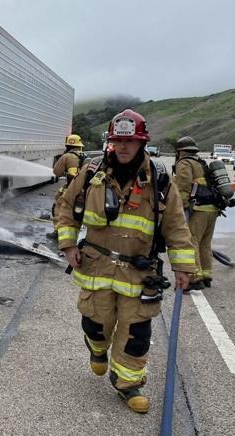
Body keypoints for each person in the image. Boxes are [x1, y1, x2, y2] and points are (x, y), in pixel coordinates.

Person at [56, 109, 197, 413]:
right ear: (111, 141)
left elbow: (175, 225)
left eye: (130, 141)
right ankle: (97, 350)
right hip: (97, 267)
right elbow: (66, 207)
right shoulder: (92, 172)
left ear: (142, 142)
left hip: (138, 273)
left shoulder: (160, 180)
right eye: (118, 140)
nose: (123, 147)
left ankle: (128, 383)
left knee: (136, 335)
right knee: (96, 326)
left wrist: (184, 266)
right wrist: (68, 245)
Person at [173, 136, 219, 289]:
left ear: (179, 151)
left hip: (198, 209)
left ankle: (195, 277)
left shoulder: (184, 163)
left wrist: (182, 206)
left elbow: (183, 186)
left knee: (193, 241)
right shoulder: (201, 162)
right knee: (205, 243)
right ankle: (207, 275)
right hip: (212, 209)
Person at [50, 134, 86, 240]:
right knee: (74, 210)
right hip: (82, 189)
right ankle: (74, 232)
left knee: (59, 208)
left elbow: (57, 172)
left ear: (67, 146)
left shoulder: (66, 156)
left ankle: (58, 232)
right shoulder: (84, 156)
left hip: (70, 188)